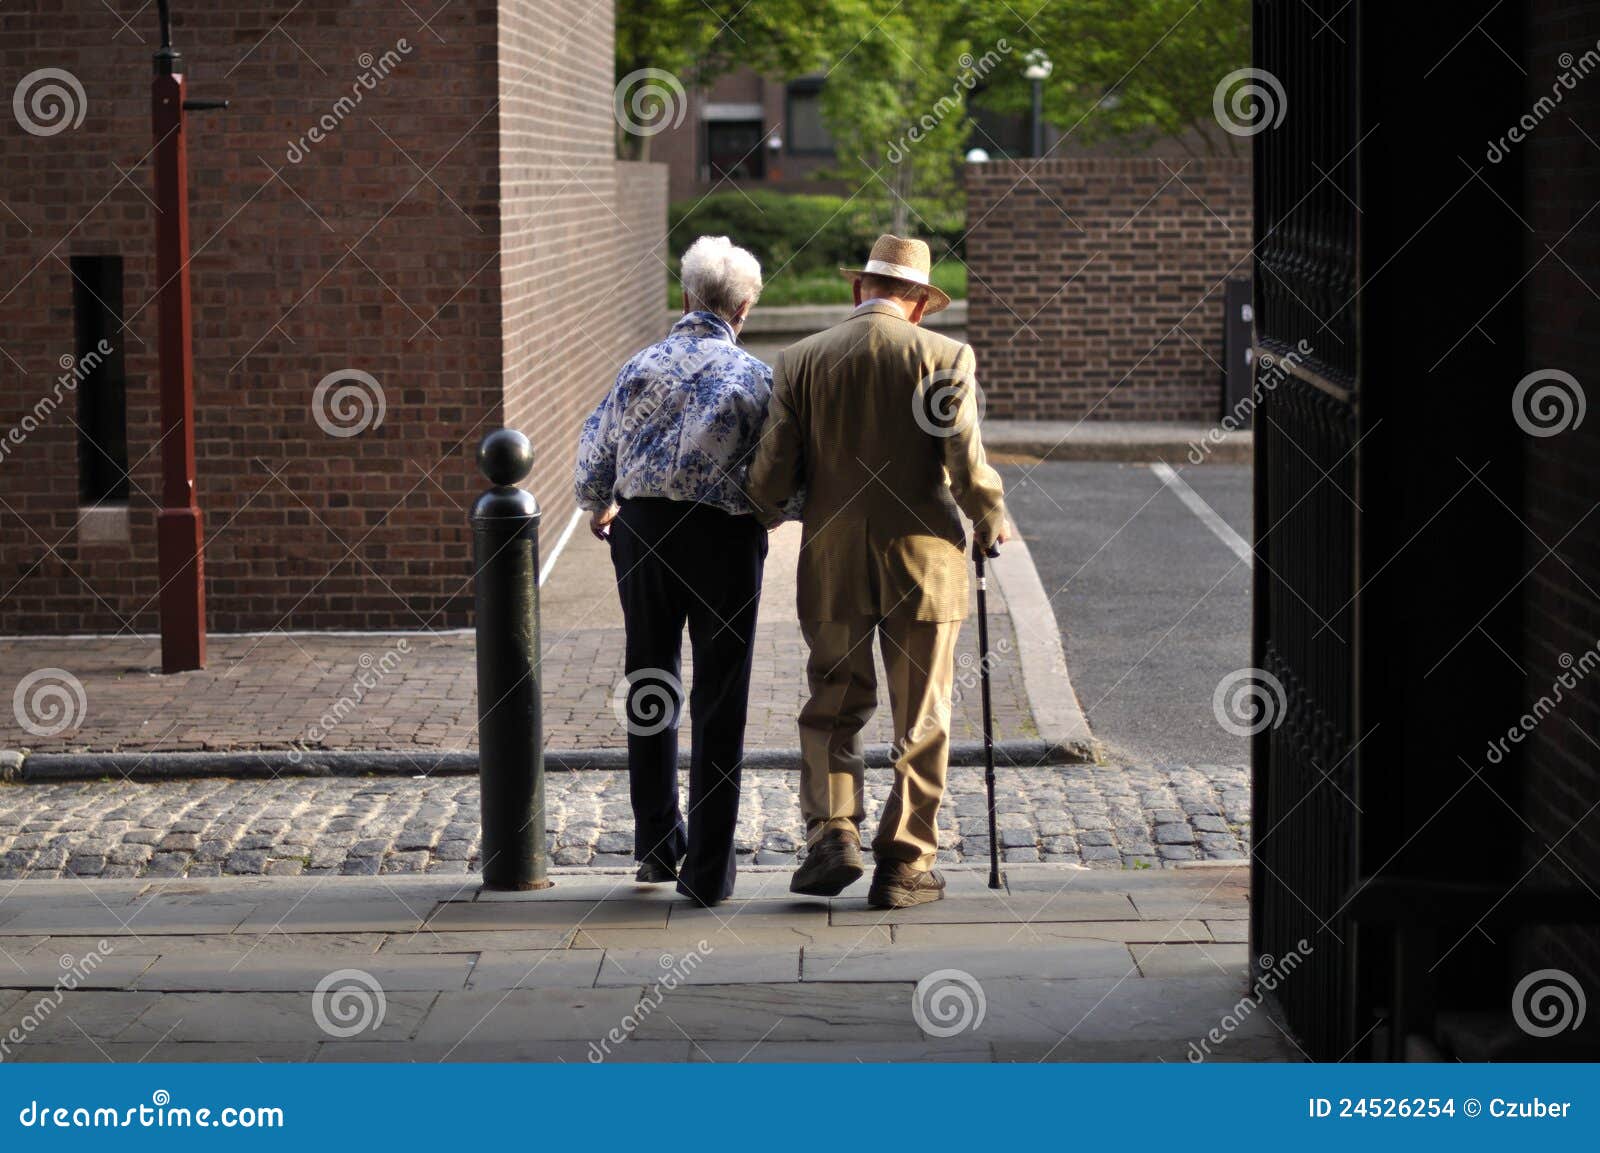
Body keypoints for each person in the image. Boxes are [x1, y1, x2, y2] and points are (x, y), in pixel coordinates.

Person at [748, 234, 1010, 909]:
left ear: (856, 290)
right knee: (922, 717)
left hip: (832, 558)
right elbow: (966, 462)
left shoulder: (800, 360)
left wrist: (764, 508)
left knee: (832, 703)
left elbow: (773, 469)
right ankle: (904, 862)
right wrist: (990, 517)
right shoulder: (944, 355)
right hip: (924, 563)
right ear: (919, 304)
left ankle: (834, 832)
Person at [573, 235, 782, 907]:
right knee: (722, 698)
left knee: (651, 683)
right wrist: (771, 515)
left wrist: (602, 507)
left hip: (644, 534)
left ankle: (658, 844)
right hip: (723, 538)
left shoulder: (640, 365)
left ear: (687, 295)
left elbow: (592, 461)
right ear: (743, 306)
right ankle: (708, 872)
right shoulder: (755, 378)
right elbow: (782, 478)